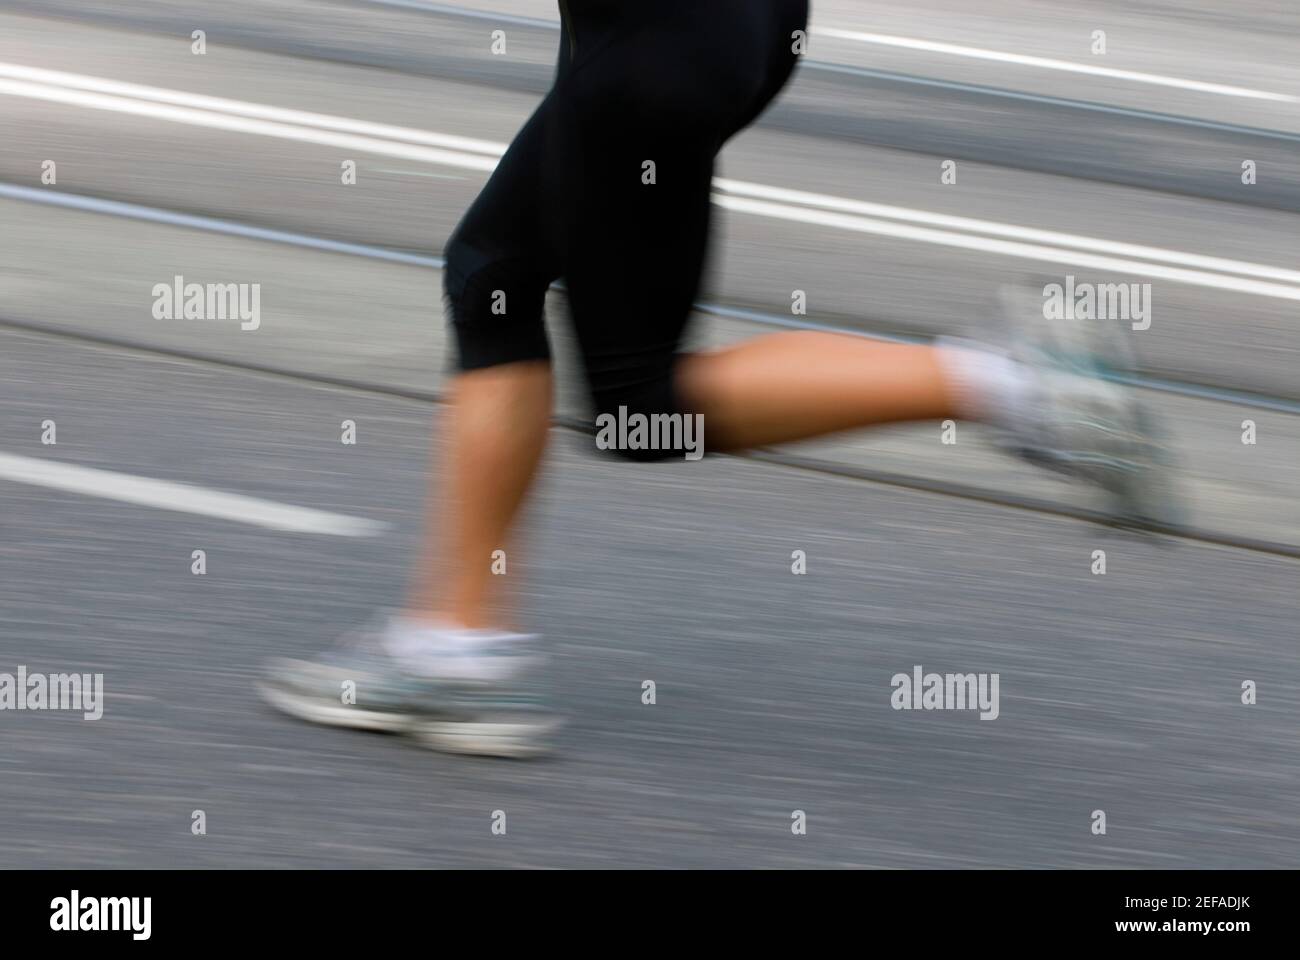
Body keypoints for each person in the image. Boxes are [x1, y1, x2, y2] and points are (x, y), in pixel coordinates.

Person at [260, 0, 1176, 756]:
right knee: (494, 280)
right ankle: (454, 642)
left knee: (640, 404)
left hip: (659, 43)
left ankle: (1019, 387)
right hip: (733, 26)